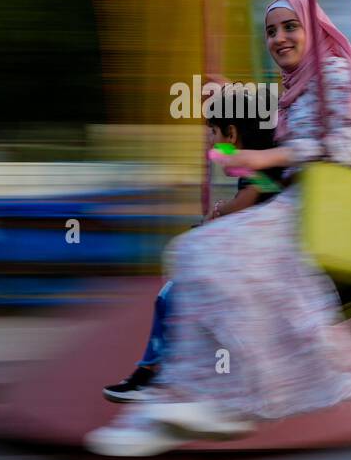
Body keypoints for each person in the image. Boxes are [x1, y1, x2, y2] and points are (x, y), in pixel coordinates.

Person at [85, 0, 351, 456]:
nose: (279, 38)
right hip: (306, 202)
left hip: (344, 206)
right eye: (271, 31)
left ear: (316, 31)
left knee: (200, 255)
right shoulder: (294, 89)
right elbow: (264, 124)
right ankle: (181, 403)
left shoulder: (333, 73)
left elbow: (345, 147)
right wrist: (229, 97)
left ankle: (211, 400)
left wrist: (259, 157)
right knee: (194, 263)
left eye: (291, 27)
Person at [102, 90, 285, 402]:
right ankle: (164, 373)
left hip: (254, 263)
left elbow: (253, 196)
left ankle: (155, 374)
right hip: (250, 255)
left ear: (232, 132)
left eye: (213, 132)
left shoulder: (257, 163)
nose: (210, 142)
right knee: (176, 297)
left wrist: (219, 213)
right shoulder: (255, 161)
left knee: (173, 296)